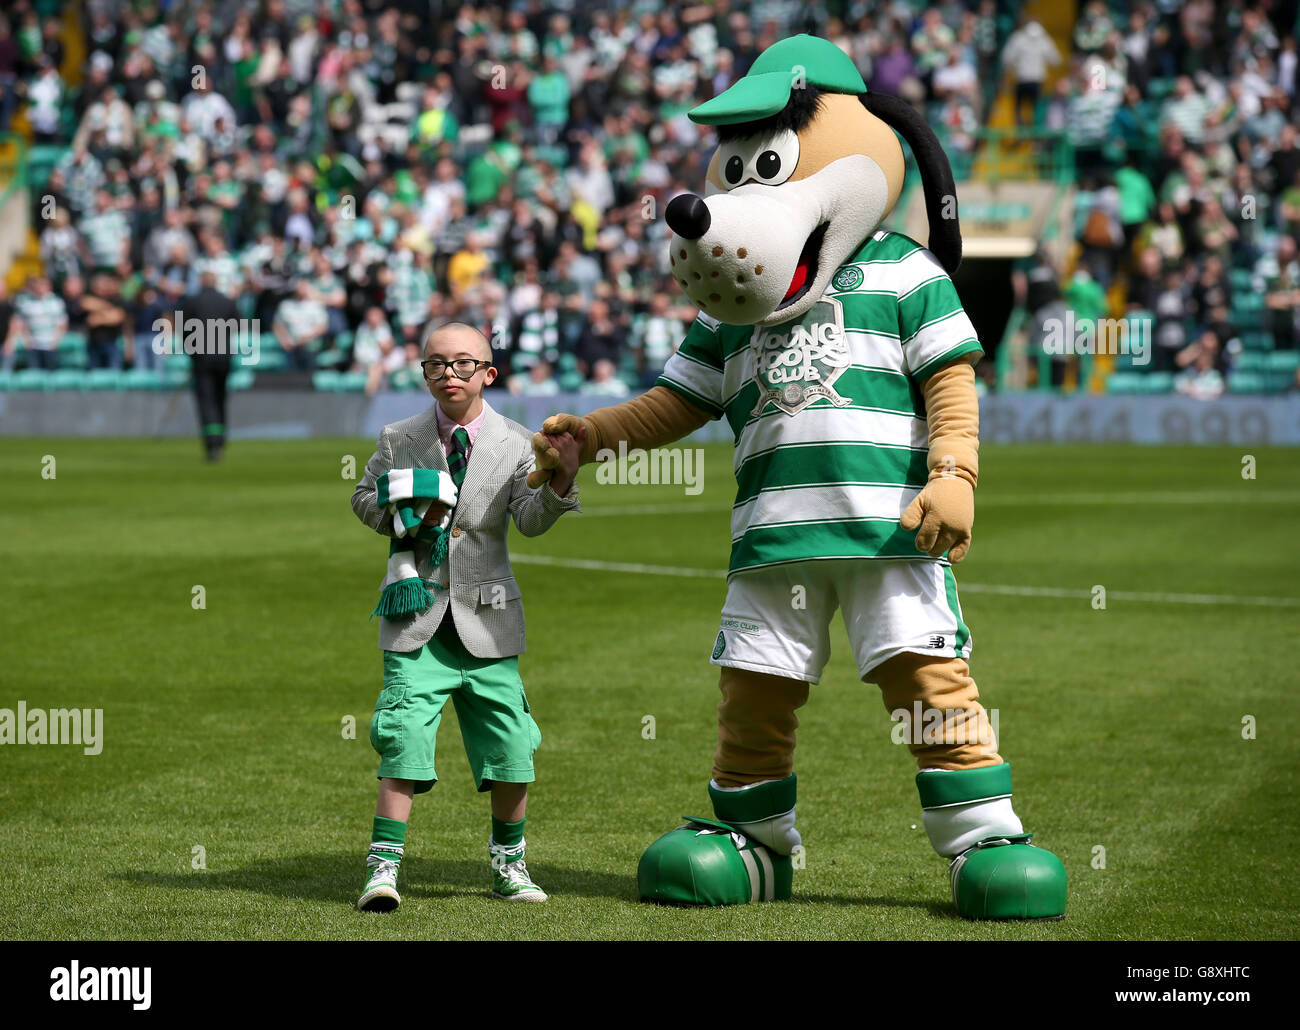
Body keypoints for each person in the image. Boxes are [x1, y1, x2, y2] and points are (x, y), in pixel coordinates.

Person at [349, 321, 581, 911]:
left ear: (488, 373)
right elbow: (363, 496)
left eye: (461, 364)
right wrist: (405, 505)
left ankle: (509, 865)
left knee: (511, 751)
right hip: (415, 614)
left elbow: (528, 517)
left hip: (490, 617)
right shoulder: (399, 436)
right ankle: (383, 871)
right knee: (401, 741)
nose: (447, 374)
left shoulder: (514, 441)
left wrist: (565, 477)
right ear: (423, 371)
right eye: (435, 365)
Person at [176, 270, 238, 461]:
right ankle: (220, 438)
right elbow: (237, 326)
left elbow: (182, 329)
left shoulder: (192, 302)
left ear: (202, 282)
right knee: (220, 398)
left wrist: (191, 351)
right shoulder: (227, 302)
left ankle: (211, 443)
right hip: (224, 357)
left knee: (206, 400)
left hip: (202, 358)